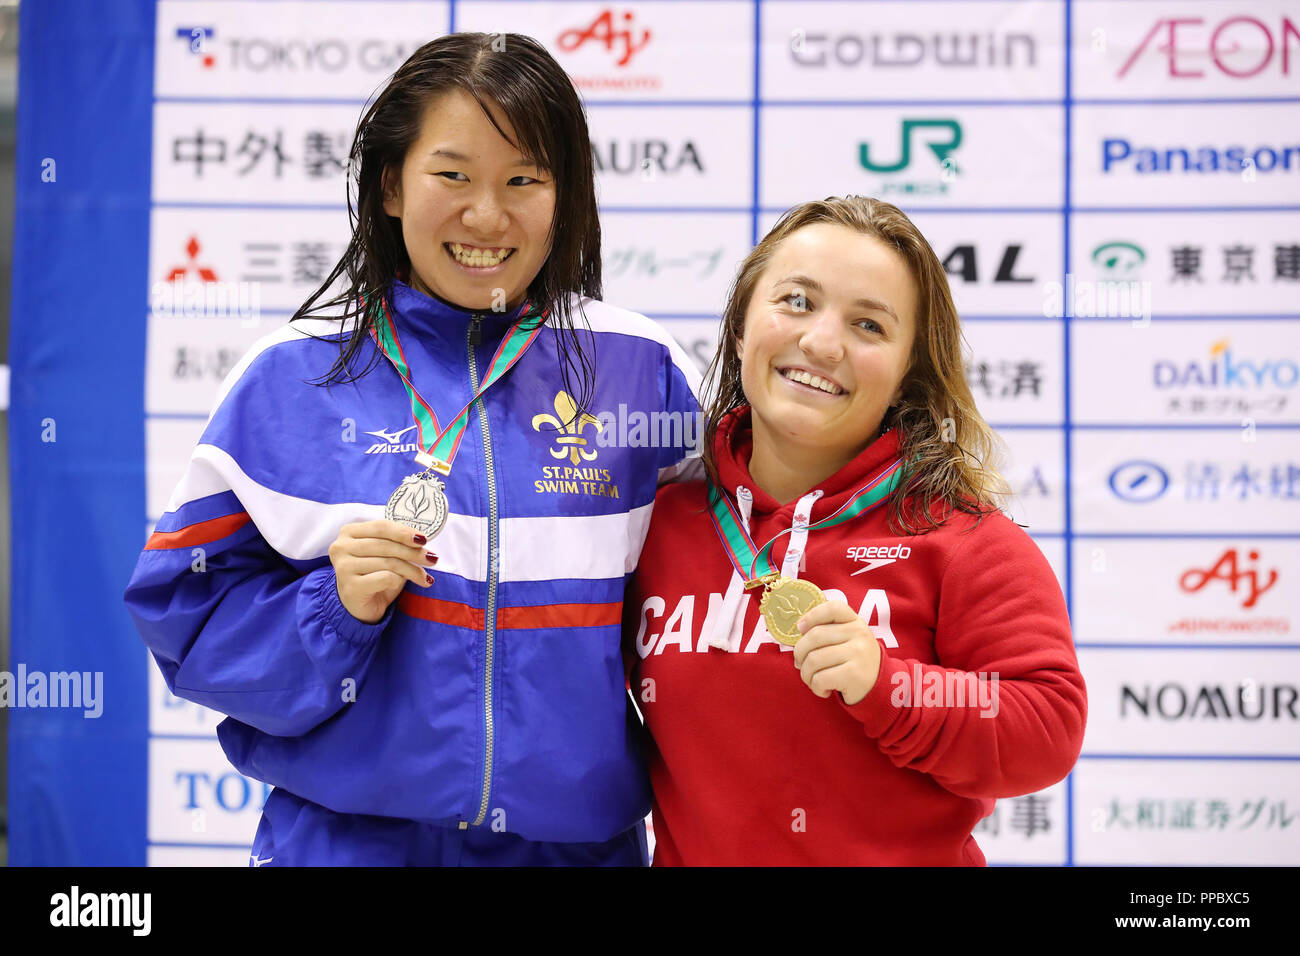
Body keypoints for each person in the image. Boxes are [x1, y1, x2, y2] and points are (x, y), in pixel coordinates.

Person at [125, 33, 702, 867]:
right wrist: (332, 610)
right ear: (391, 183)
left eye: (524, 180)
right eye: (453, 175)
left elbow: (724, 599)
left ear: (564, 193)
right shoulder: (294, 377)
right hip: (344, 847)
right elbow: (189, 626)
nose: (486, 216)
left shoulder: (638, 372)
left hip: (575, 854)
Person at [625, 195, 1086, 865]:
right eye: (797, 302)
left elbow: (1047, 731)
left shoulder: (964, 541)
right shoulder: (657, 522)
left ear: (907, 375)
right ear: (740, 327)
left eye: (869, 325)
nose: (821, 342)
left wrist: (887, 685)